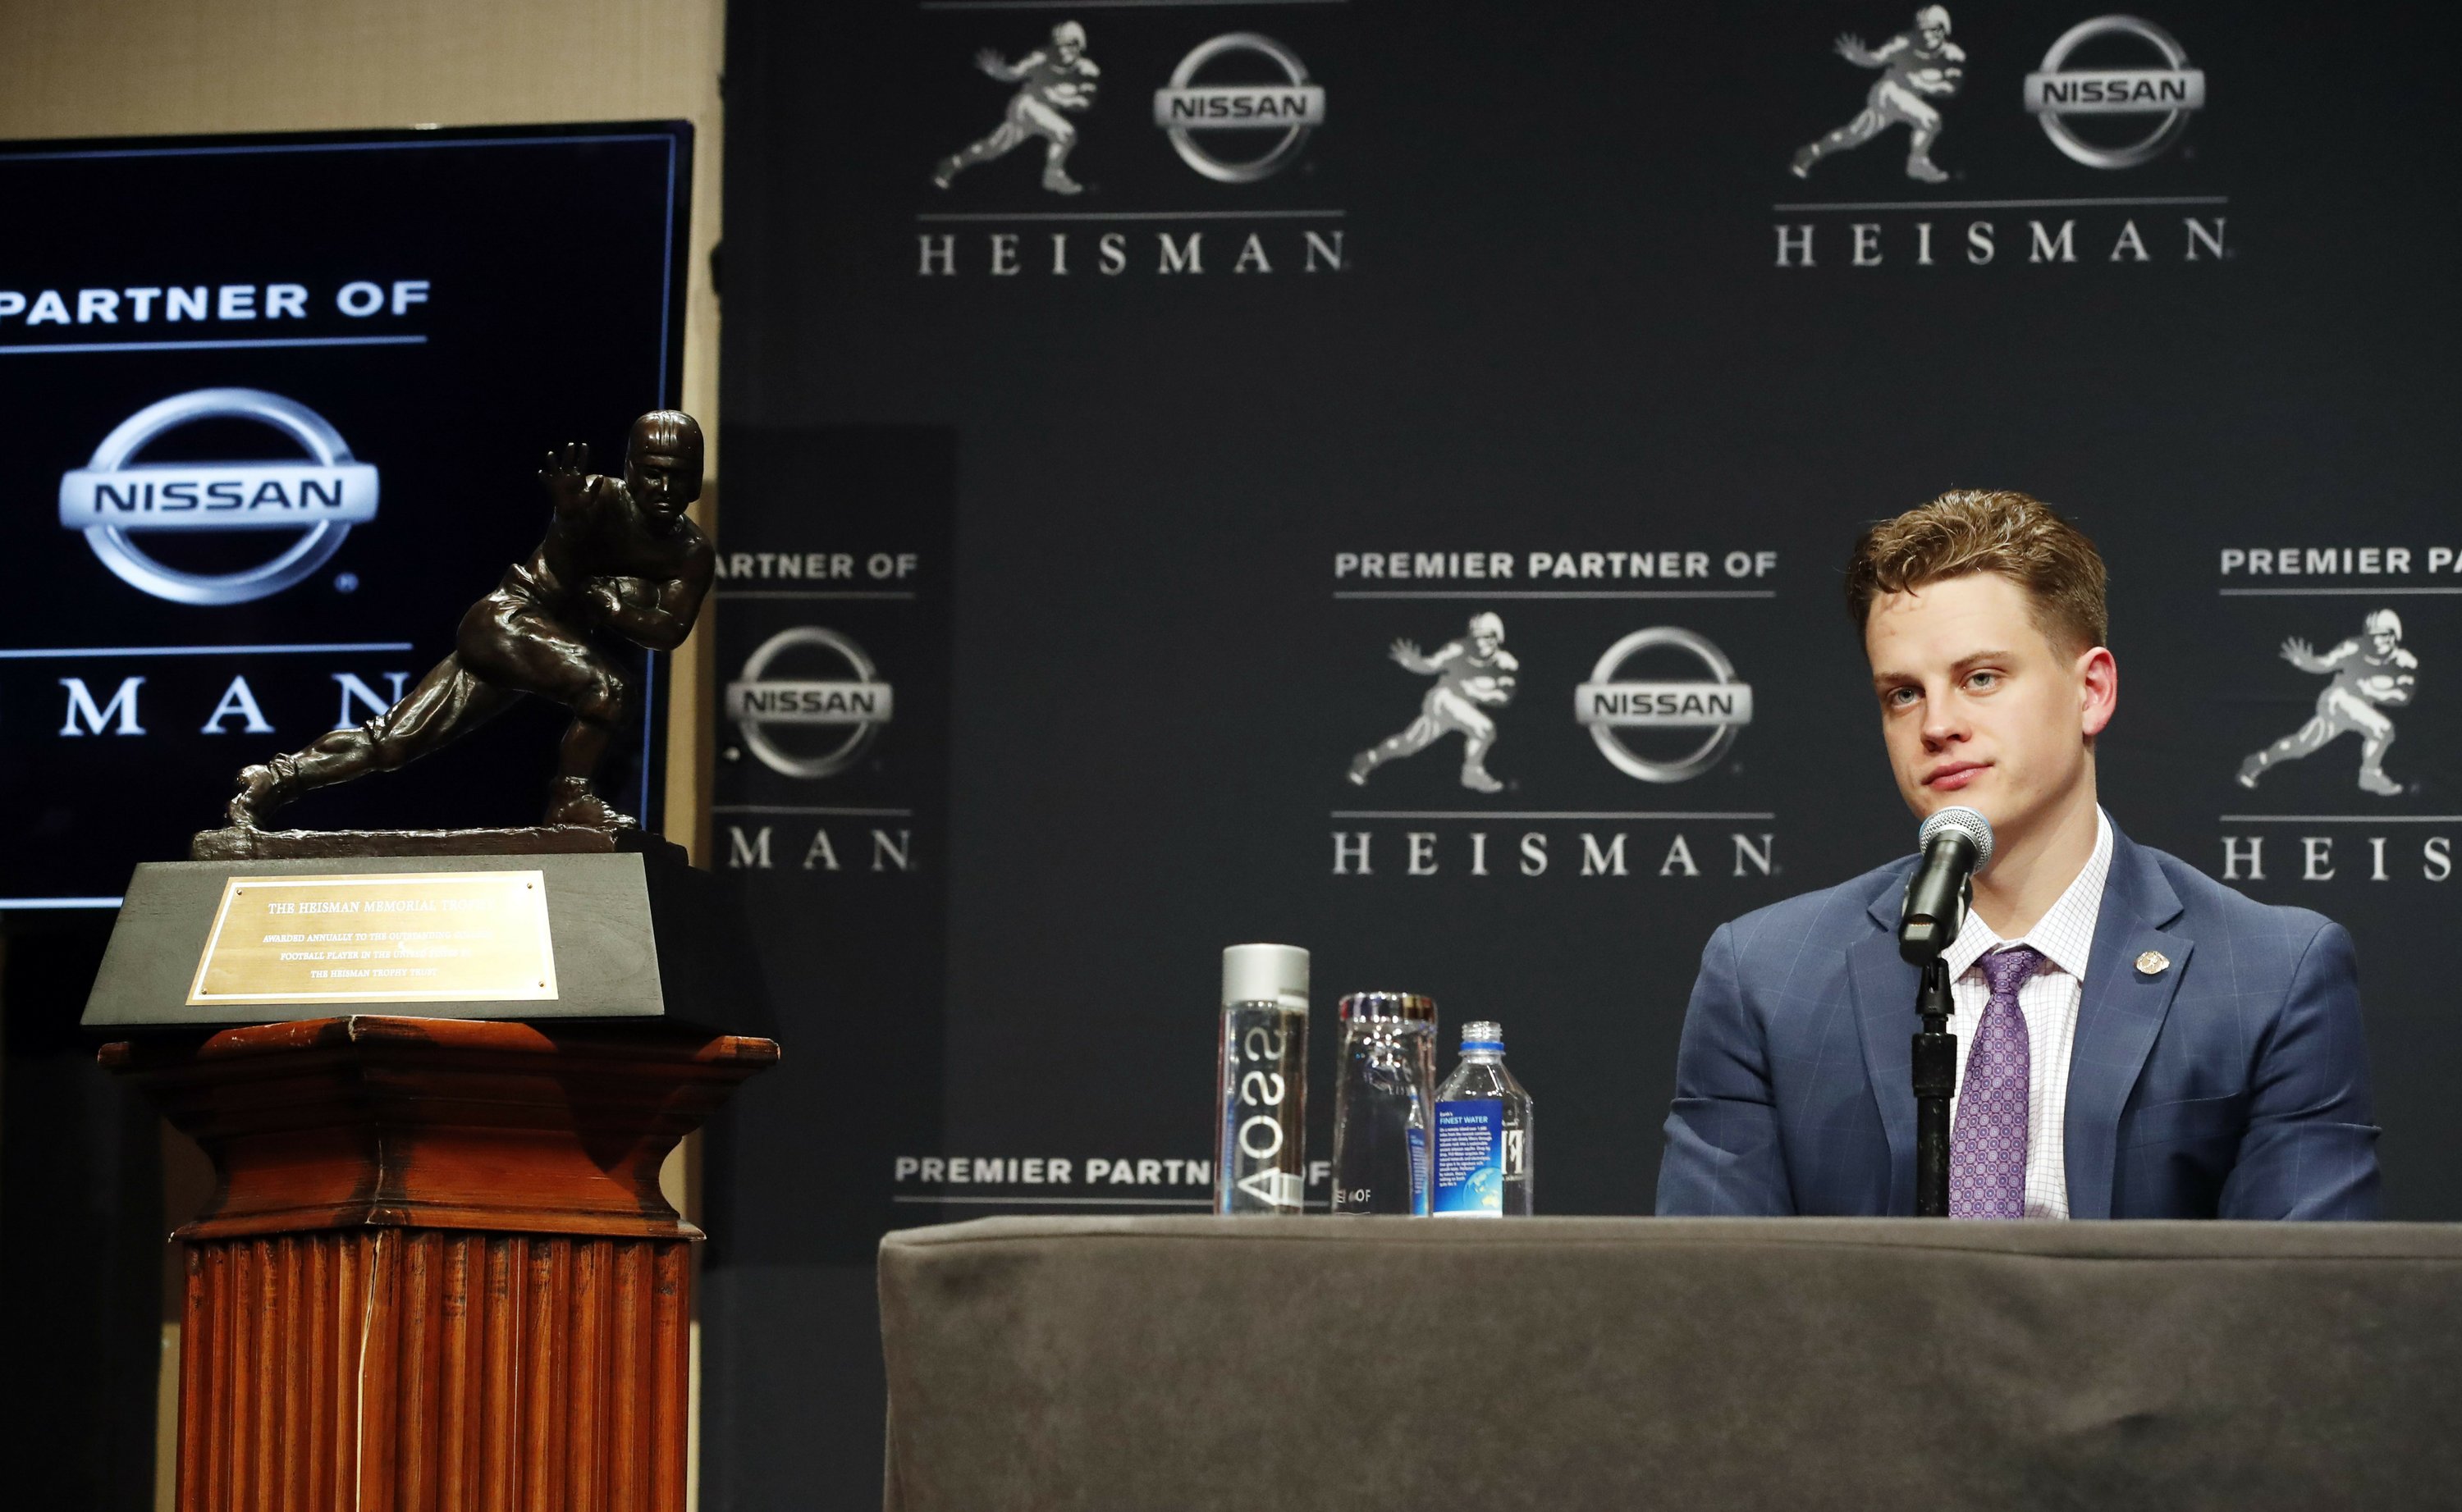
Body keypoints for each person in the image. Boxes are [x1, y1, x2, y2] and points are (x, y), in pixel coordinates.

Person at [1657, 491, 2378, 1219]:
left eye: (1981, 678)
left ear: (2091, 691)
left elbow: (2297, 1284)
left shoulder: (2270, 975)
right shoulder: (1766, 978)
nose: (1937, 724)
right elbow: (1711, 1280)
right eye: (1903, 694)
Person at [227, 411, 714, 832]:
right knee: (609, 690)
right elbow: (568, 549)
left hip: (542, 644)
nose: (665, 489)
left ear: (696, 481)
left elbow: (670, 630)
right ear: (631, 470)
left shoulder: (690, 553)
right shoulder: (593, 498)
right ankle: (570, 799)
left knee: (394, 743)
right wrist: (569, 519)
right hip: (509, 621)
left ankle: (275, 778)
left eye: (678, 476)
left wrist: (614, 609)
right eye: (653, 474)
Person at [2237, 610, 2417, 796]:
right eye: (2373, 636)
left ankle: (2259, 761)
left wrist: (2372, 691)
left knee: (2300, 746)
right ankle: (2369, 775)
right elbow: (2325, 662)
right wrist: (2307, 662)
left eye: (2384, 635)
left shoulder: (2405, 662)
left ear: (2395, 635)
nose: (2378, 641)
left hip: (2358, 708)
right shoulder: (2354, 647)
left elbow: (2403, 697)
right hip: (2338, 700)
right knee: (2383, 729)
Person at [1348, 611, 1518, 793]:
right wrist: (1413, 663)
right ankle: (1471, 772)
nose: (1480, 642)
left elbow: (1504, 698)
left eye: (1487, 637)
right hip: (1443, 700)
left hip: (1463, 706)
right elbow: (1430, 665)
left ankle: (1369, 758)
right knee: (1485, 729)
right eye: (1476, 637)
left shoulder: (1507, 664)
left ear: (1498, 637)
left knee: (1408, 744)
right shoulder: (1458, 649)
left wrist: (1474, 692)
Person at [1790, 6, 1964, 184]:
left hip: (1906, 100)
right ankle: (1917, 163)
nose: (1927, 35)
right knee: (1930, 120)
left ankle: (1811, 152)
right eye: (1922, 30)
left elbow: (1951, 88)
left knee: (1852, 136)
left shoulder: (1953, 55)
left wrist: (1922, 84)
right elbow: (1877, 58)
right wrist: (1859, 57)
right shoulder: (1904, 42)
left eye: (1933, 29)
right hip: (1889, 92)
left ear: (1944, 29)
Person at [931, 21, 1100, 196]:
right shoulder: (1041, 57)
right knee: (1066, 133)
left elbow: (1084, 103)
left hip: (1044, 112)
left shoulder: (1088, 70)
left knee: (992, 148)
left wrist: (1058, 98)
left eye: (1070, 44)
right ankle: (1053, 176)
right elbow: (1015, 72)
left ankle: (953, 163)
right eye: (1059, 45)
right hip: (1027, 105)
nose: (1063, 50)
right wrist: (998, 71)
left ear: (1080, 44)